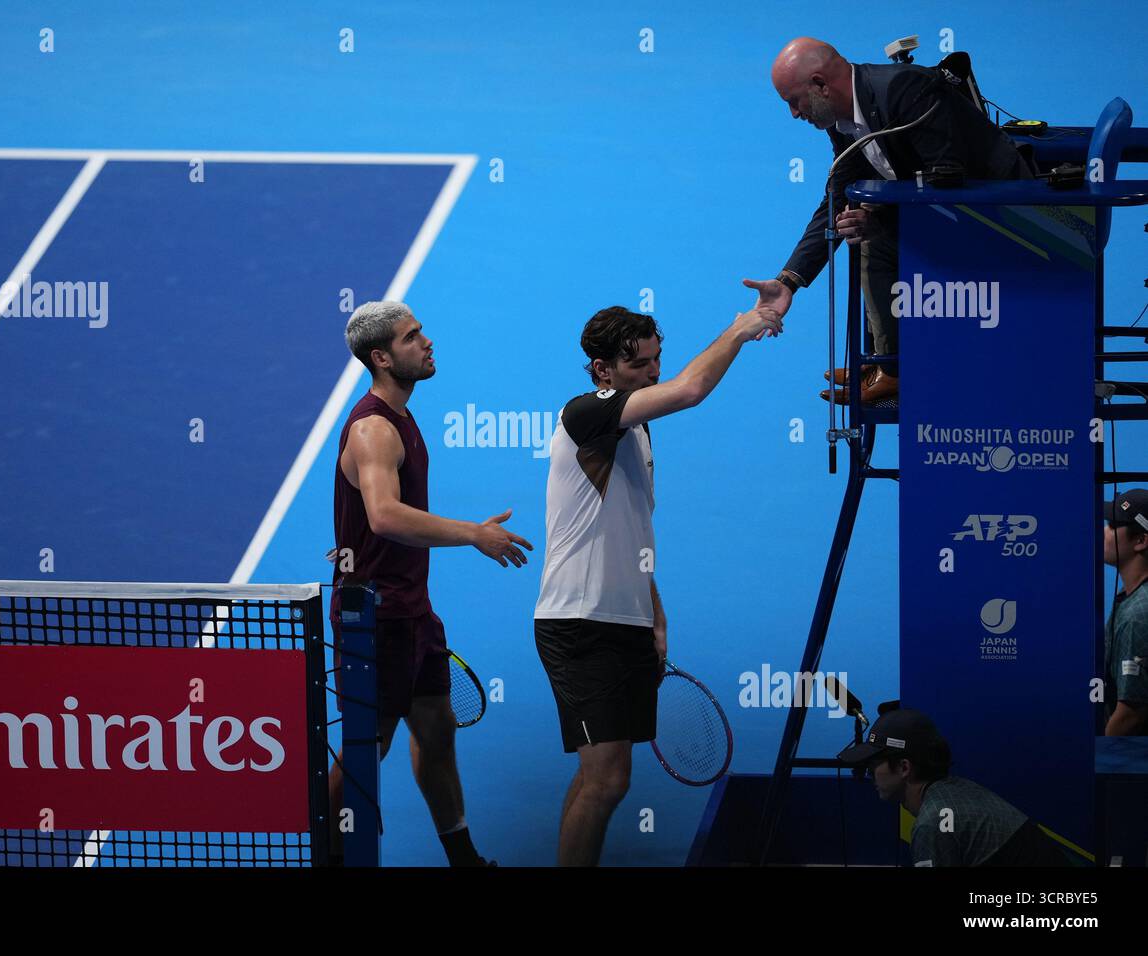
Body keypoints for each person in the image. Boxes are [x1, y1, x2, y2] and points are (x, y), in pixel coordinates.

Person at [533, 303, 782, 866]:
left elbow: (627, 532)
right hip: (578, 623)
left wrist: (655, 611)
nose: (653, 372)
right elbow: (691, 390)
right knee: (608, 779)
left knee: (601, 777)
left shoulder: (638, 434)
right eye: (638, 365)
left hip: (625, 622)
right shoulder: (586, 414)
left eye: (656, 359)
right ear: (602, 372)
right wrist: (741, 328)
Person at [329, 300, 534, 866]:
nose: (427, 342)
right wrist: (473, 534)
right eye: (412, 337)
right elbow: (386, 516)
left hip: (410, 609)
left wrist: (352, 547)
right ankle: (319, 853)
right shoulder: (374, 429)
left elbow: (368, 519)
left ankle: (464, 860)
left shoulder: (402, 417)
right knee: (368, 749)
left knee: (437, 729)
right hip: (376, 615)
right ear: (381, 357)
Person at [743, 36, 1034, 405]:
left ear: (820, 85)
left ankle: (894, 370)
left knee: (874, 240)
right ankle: (887, 362)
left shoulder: (905, 90)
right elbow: (837, 194)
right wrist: (789, 281)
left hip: (1002, 216)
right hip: (952, 211)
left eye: (793, 101)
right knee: (858, 223)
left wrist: (880, 219)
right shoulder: (843, 118)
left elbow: (949, 185)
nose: (795, 114)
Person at [838, 708, 1073, 866]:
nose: (869, 775)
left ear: (904, 767)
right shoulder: (957, 790)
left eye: (873, 766)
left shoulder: (932, 825)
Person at [1103, 488, 1148, 735]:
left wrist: (1099, 767)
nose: (1103, 532)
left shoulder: (1139, 614)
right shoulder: (1129, 600)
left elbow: (1131, 715)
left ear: (1140, 540)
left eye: (1112, 525)